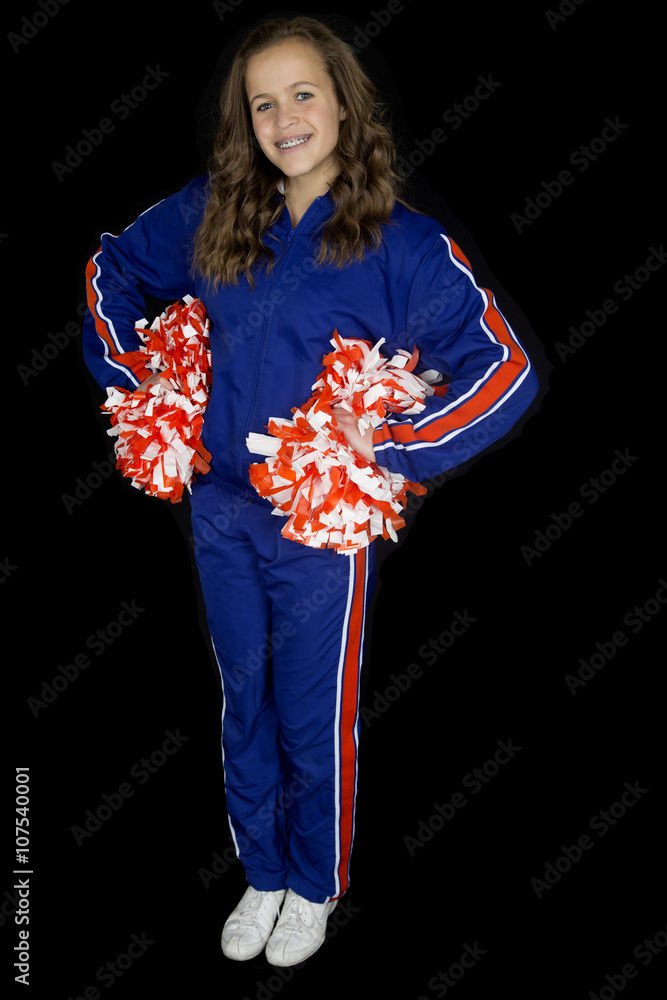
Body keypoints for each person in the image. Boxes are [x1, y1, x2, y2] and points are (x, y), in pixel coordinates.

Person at [83, 15, 538, 968]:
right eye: (263, 102)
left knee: (310, 710)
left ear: (341, 103)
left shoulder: (403, 245)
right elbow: (112, 270)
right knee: (239, 700)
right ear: (245, 122)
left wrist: (396, 448)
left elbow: (503, 367)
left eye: (302, 94)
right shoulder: (212, 211)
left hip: (319, 526)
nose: (285, 116)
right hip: (219, 510)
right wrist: (147, 376)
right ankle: (261, 870)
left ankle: (316, 885)